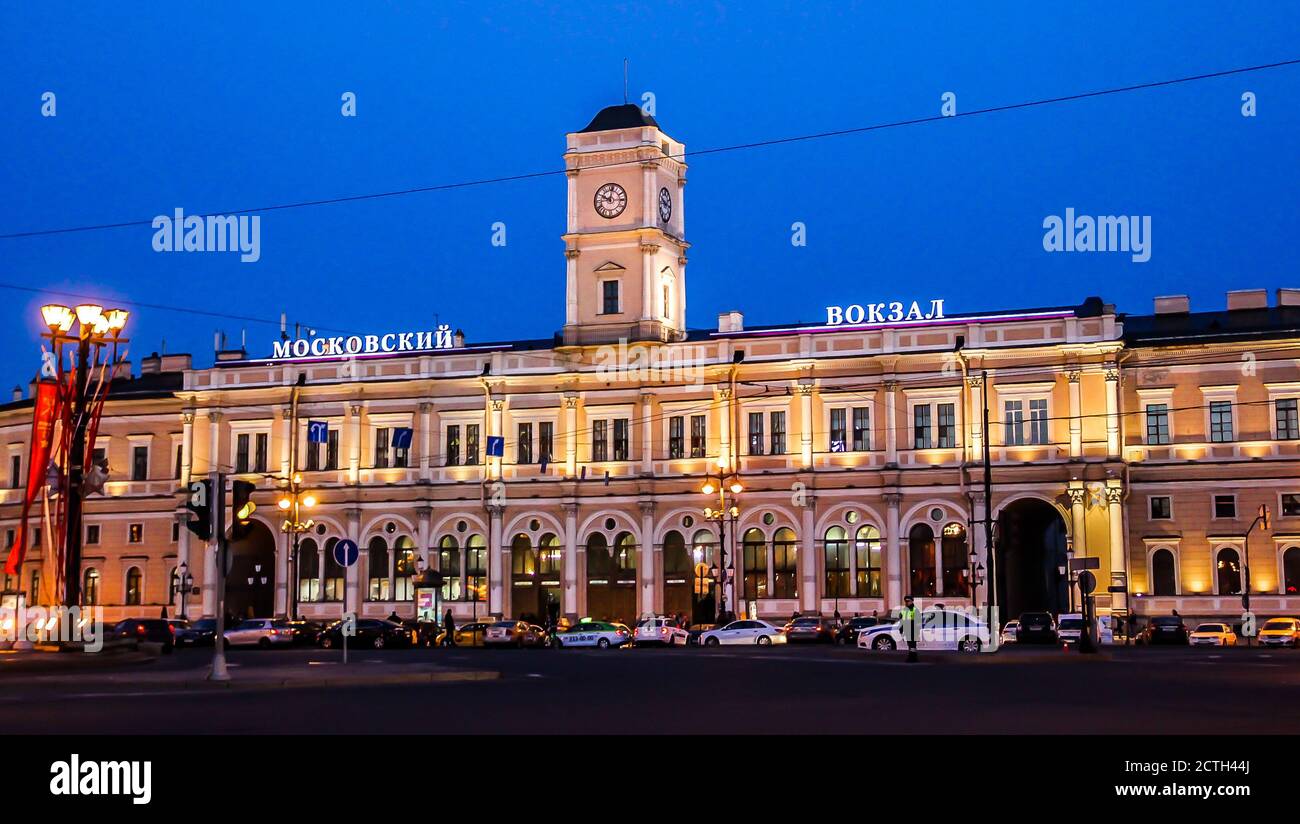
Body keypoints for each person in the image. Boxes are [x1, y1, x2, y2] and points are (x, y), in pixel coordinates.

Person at [899, 595, 920, 663]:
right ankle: (912, 657)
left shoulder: (915, 610)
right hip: (908, 630)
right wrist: (901, 629)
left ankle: (913, 658)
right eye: (906, 601)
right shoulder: (905, 610)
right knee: (910, 645)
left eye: (908, 601)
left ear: (911, 601)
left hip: (913, 630)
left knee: (912, 646)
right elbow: (902, 620)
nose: (906, 602)